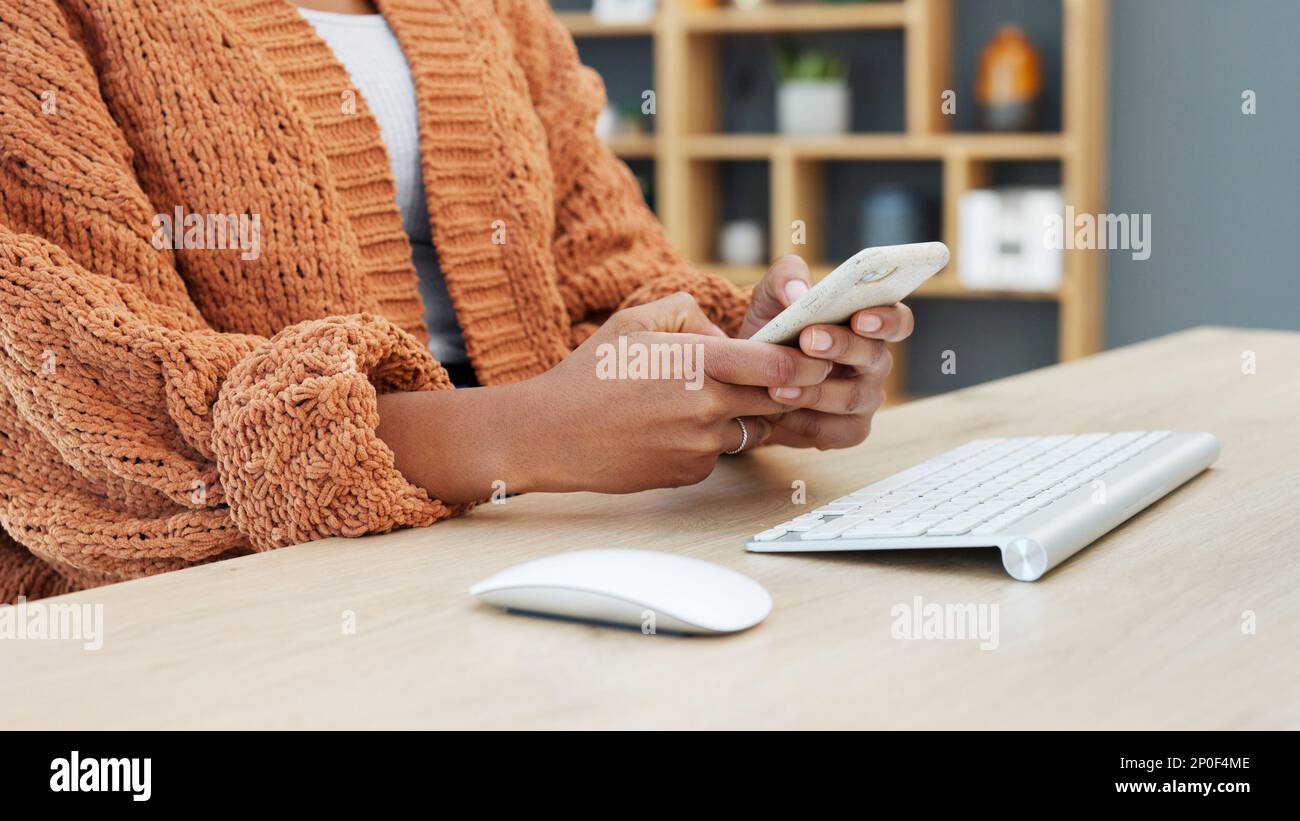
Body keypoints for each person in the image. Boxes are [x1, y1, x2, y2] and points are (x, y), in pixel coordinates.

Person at [0, 0, 913, 600]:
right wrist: (527, 433)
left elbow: (603, 263)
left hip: (536, 549)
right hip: (220, 609)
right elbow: (70, 405)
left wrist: (737, 369)